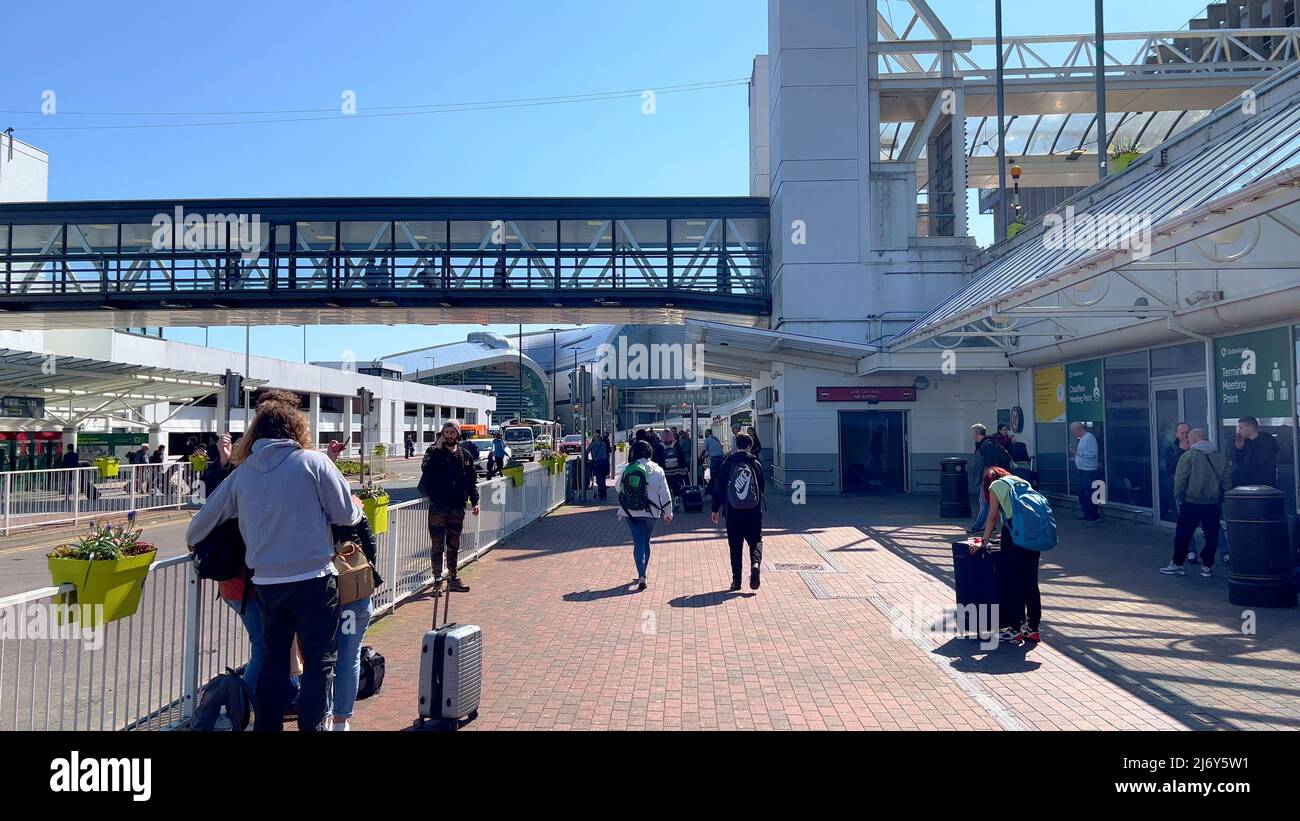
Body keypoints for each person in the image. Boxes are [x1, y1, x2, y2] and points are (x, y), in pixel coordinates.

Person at [185, 391, 361, 732]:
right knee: (318, 664)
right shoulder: (314, 463)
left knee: (272, 663)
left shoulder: (243, 474)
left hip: (266, 585)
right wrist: (353, 506)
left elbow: (199, 524)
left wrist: (193, 542)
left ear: (255, 433)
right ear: (297, 429)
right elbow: (346, 514)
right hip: (314, 581)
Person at [328, 495, 382, 732]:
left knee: (323, 659)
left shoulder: (314, 516)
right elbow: (371, 549)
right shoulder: (354, 514)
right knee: (349, 658)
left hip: (325, 599)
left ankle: (324, 716)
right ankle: (341, 721)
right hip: (356, 597)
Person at [977, 466, 1042, 644]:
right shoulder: (1021, 481)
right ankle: (1033, 628)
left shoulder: (995, 486)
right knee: (1031, 581)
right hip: (1033, 533)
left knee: (1013, 581)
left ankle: (1014, 629)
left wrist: (984, 540)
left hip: (1014, 536)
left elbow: (992, 517)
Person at [417, 421, 480, 594]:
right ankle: (437, 579)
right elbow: (426, 468)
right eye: (446, 431)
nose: (449, 435)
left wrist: (475, 502)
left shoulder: (465, 455)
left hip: (457, 507)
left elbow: (471, 480)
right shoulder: (433, 451)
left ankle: (453, 578)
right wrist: (437, 449)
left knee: (454, 544)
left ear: (458, 434)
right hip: (438, 506)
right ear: (442, 433)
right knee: (437, 545)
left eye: (452, 432)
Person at [1161, 428, 1231, 578]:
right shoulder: (1220, 457)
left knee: (1183, 534)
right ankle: (1207, 566)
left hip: (1191, 502)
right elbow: (1226, 482)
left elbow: (1180, 481)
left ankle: (1178, 564)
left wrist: (1179, 497)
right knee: (1212, 534)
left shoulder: (1188, 457)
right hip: (1212, 503)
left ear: (1192, 440)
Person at [711, 433, 766, 592]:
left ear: (735, 445)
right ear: (749, 446)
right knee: (755, 541)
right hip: (754, 511)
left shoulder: (728, 462)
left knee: (735, 546)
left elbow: (719, 487)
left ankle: (737, 581)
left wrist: (715, 509)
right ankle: (755, 565)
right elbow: (761, 488)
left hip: (733, 511)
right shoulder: (755, 463)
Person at [616, 440, 673, 592]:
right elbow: (665, 492)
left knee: (638, 542)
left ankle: (641, 573)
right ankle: (643, 573)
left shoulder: (628, 468)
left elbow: (617, 487)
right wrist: (668, 512)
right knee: (646, 541)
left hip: (631, 512)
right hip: (652, 512)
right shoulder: (657, 469)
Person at [968, 424, 1011, 535]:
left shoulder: (986, 445)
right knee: (989, 503)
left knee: (984, 503)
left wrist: (985, 479)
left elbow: (989, 464)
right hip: (988, 478)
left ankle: (978, 526)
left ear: (977, 433)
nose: (972, 435)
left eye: (973, 433)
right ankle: (992, 526)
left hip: (987, 479)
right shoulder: (984, 444)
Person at [1162, 422, 1195, 562]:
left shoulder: (1197, 446)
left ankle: (1223, 552)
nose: (1185, 435)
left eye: (1187, 432)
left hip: (1196, 488)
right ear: (1176, 434)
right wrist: (1182, 451)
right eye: (1182, 433)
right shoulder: (1170, 449)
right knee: (1184, 521)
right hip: (1180, 488)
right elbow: (1172, 468)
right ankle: (1191, 550)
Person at [1231, 416, 1279, 488]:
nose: (1239, 431)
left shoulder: (1267, 442)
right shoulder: (1243, 442)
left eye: (1241, 428)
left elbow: (1266, 465)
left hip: (1264, 485)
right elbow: (1238, 464)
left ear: (1250, 427)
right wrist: (1239, 449)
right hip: (1245, 485)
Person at [1069, 422, 1102, 522]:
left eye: (1074, 431)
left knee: (1089, 493)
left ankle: (1093, 515)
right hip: (1082, 469)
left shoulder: (1089, 437)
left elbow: (1092, 453)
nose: (1074, 434)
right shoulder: (1082, 438)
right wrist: (1075, 456)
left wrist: (1077, 452)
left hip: (1089, 471)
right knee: (1082, 494)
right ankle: (1087, 513)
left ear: (1079, 429)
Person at [586, 430, 611, 501]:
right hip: (605, 462)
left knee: (600, 479)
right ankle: (604, 494)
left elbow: (586, 452)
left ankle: (601, 495)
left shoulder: (592, 444)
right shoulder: (603, 444)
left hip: (598, 463)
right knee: (603, 479)